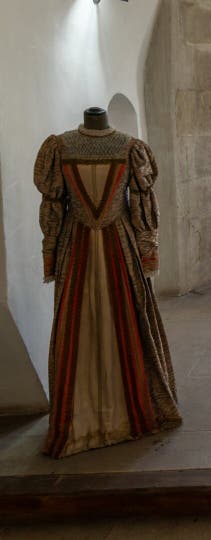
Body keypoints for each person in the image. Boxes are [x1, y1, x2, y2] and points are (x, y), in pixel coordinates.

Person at [34, 107, 181, 457]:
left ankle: (83, 418)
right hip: (119, 245)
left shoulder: (61, 148)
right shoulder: (129, 148)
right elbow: (141, 208)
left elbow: (53, 209)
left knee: (81, 326)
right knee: (123, 322)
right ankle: (126, 413)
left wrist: (52, 253)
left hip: (77, 247)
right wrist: (146, 251)